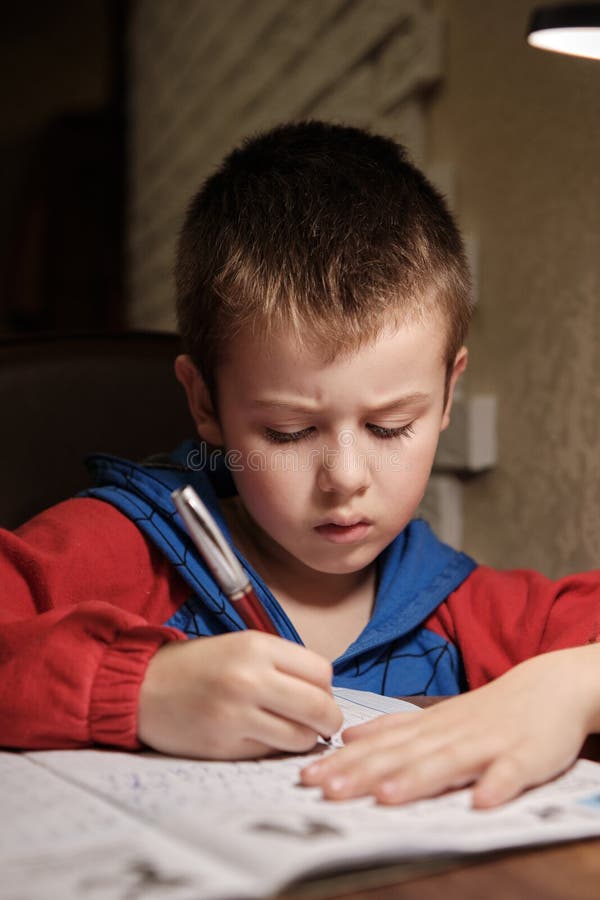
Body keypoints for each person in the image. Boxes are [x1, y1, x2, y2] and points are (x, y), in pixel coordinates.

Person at [2, 121, 599, 811]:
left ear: (447, 394)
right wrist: (139, 690)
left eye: (389, 425)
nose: (345, 477)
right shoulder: (121, 549)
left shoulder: (469, 610)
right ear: (205, 402)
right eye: (288, 432)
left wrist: (573, 686)